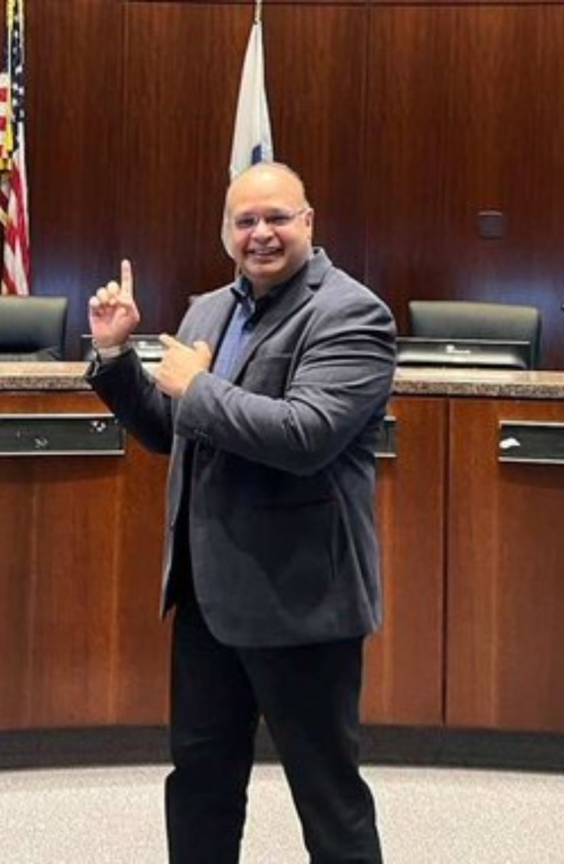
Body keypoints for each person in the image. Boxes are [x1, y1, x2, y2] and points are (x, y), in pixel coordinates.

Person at [85, 162, 396, 864]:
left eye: (277, 217)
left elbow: (306, 435)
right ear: (226, 232)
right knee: (200, 786)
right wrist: (115, 356)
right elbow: (174, 428)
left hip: (300, 600)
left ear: (308, 222)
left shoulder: (352, 313)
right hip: (207, 597)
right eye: (245, 221)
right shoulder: (208, 310)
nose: (262, 234)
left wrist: (195, 388)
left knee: (329, 802)